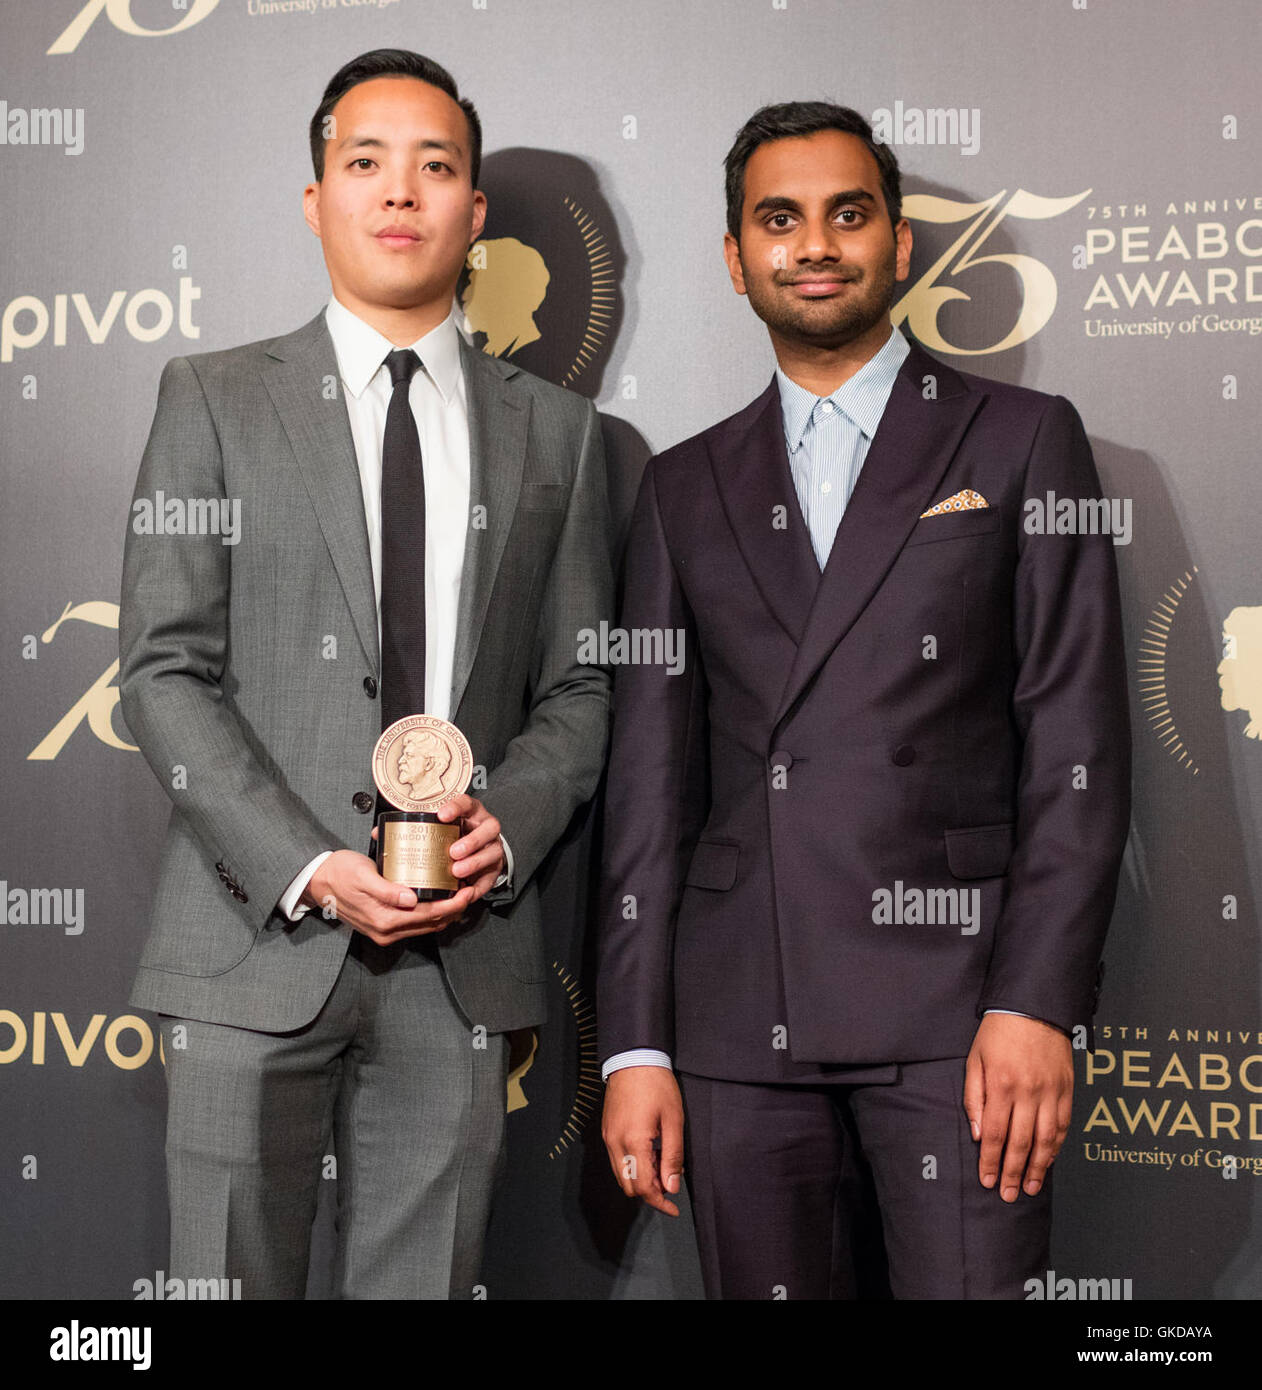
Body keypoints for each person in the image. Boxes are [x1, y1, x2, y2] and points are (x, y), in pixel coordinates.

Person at [597, 101, 1130, 1299]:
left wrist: (1037, 1005)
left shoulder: (1022, 440)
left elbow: (1075, 743)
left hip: (958, 1019)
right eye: (777, 220)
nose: (814, 244)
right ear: (737, 261)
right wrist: (634, 1041)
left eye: (848, 213)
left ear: (898, 242)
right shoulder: (682, 486)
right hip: (739, 1025)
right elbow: (646, 780)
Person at [118, 48, 612, 1299]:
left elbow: (581, 686)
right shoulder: (214, 397)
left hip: (460, 961)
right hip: (251, 940)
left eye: (435, 166)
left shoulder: (557, 435)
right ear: (315, 198)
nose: (401, 192)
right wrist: (308, 863)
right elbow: (163, 672)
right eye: (365, 163)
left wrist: (508, 827)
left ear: (475, 212)